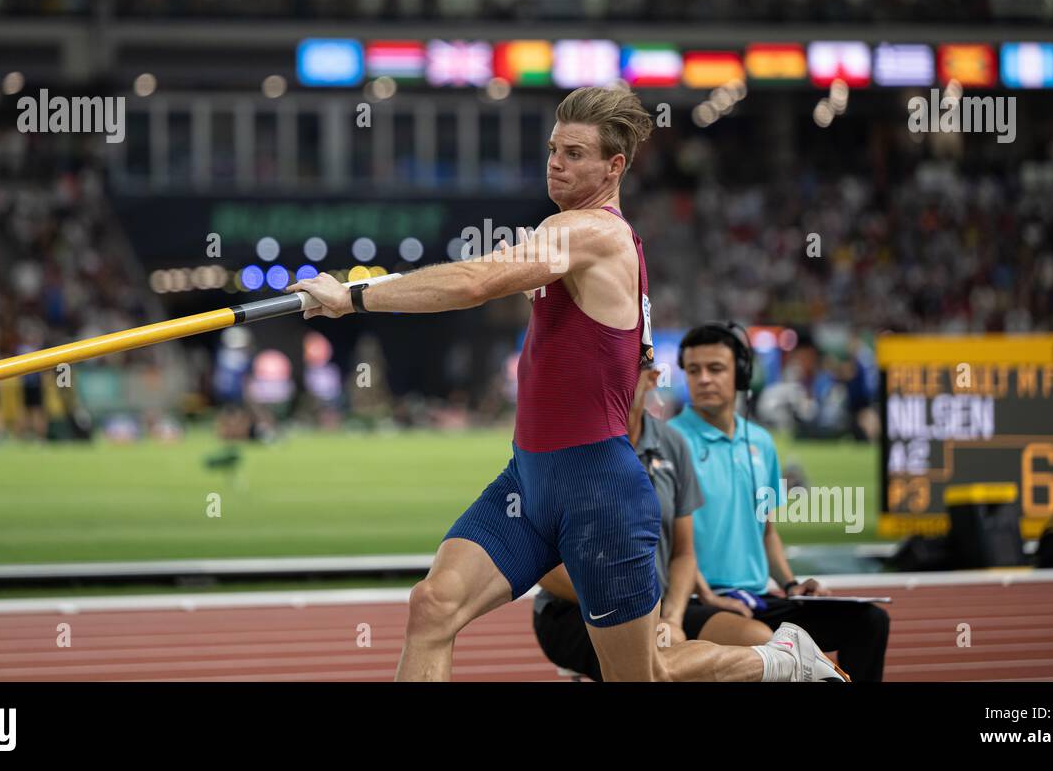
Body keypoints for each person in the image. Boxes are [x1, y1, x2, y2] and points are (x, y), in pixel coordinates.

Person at [293, 86, 845, 682]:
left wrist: (351, 296)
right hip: (529, 478)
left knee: (643, 675)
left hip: (599, 489)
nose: (557, 162)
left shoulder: (595, 234)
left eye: (575, 153)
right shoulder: (562, 236)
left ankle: (782, 660)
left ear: (615, 167)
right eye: (554, 149)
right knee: (433, 606)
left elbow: (476, 282)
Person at [668, 322, 890, 681]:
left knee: (869, 622)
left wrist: (790, 584)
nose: (704, 379)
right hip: (698, 602)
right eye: (694, 371)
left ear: (740, 374)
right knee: (777, 649)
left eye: (716, 368)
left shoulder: (761, 442)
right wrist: (705, 594)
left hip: (758, 599)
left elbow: (765, 529)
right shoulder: (669, 442)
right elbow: (668, 542)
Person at [531, 364, 773, 681]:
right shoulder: (564, 445)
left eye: (620, 371)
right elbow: (543, 566)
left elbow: (684, 553)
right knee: (667, 654)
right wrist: (629, 608)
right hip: (575, 609)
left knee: (760, 640)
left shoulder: (671, 443)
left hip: (658, 606)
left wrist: (672, 616)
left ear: (653, 378)